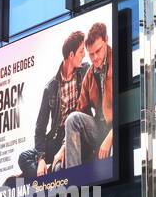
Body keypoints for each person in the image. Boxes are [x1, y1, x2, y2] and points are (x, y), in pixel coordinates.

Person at [18, 31, 89, 181]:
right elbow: (40, 127)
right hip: (57, 137)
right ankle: (47, 177)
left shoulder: (85, 72)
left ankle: (51, 176)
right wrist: (41, 158)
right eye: (81, 51)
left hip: (77, 132)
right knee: (24, 158)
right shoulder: (50, 87)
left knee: (59, 167)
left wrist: (64, 148)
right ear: (71, 55)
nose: (84, 55)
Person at [64, 21, 115, 167]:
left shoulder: (118, 62)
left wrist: (111, 136)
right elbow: (79, 110)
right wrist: (63, 147)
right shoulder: (90, 74)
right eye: (91, 54)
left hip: (116, 129)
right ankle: (73, 179)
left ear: (106, 40)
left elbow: (128, 107)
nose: (95, 58)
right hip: (99, 130)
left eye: (98, 51)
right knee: (72, 119)